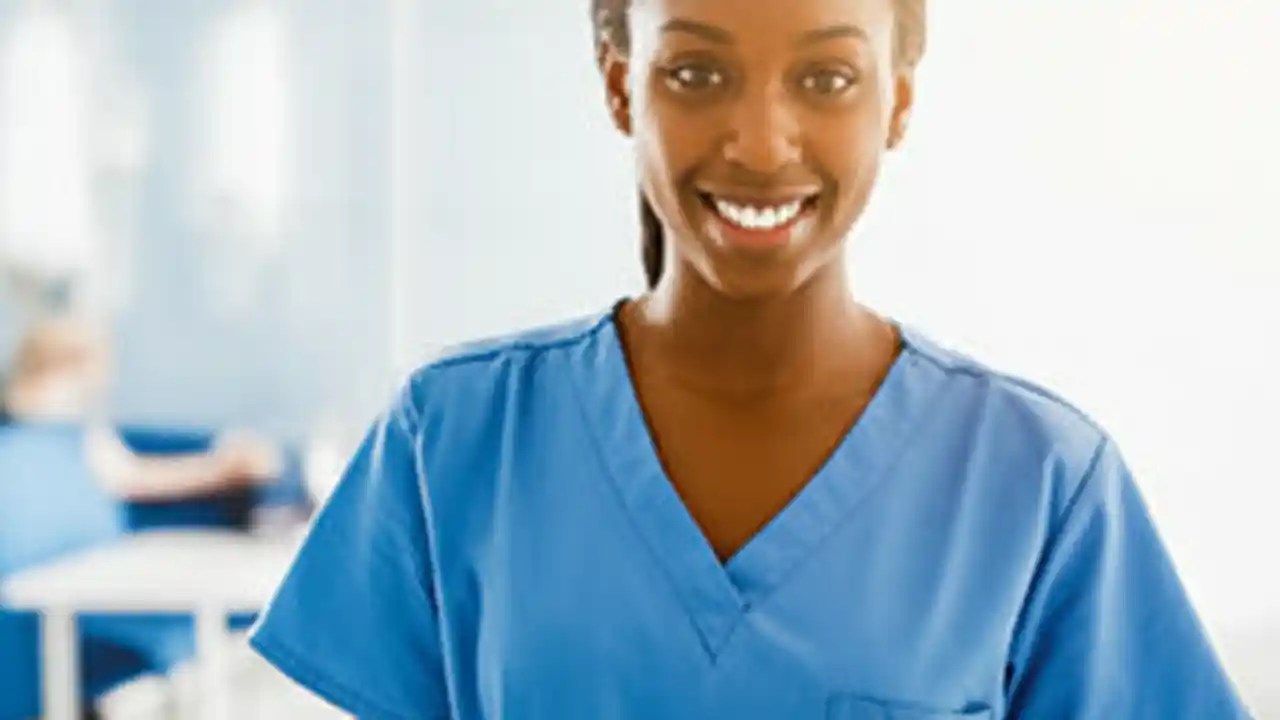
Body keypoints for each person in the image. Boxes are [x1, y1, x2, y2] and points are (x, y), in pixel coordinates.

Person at [248, 0, 1250, 717]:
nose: (763, 143)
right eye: (694, 72)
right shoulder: (453, 441)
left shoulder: (1038, 483)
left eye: (824, 78)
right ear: (616, 86)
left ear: (895, 102)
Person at [1, 315, 281, 500]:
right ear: (70, 362)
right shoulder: (54, 422)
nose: (108, 377)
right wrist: (220, 470)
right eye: (103, 363)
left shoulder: (64, 421)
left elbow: (125, 471)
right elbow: (127, 478)